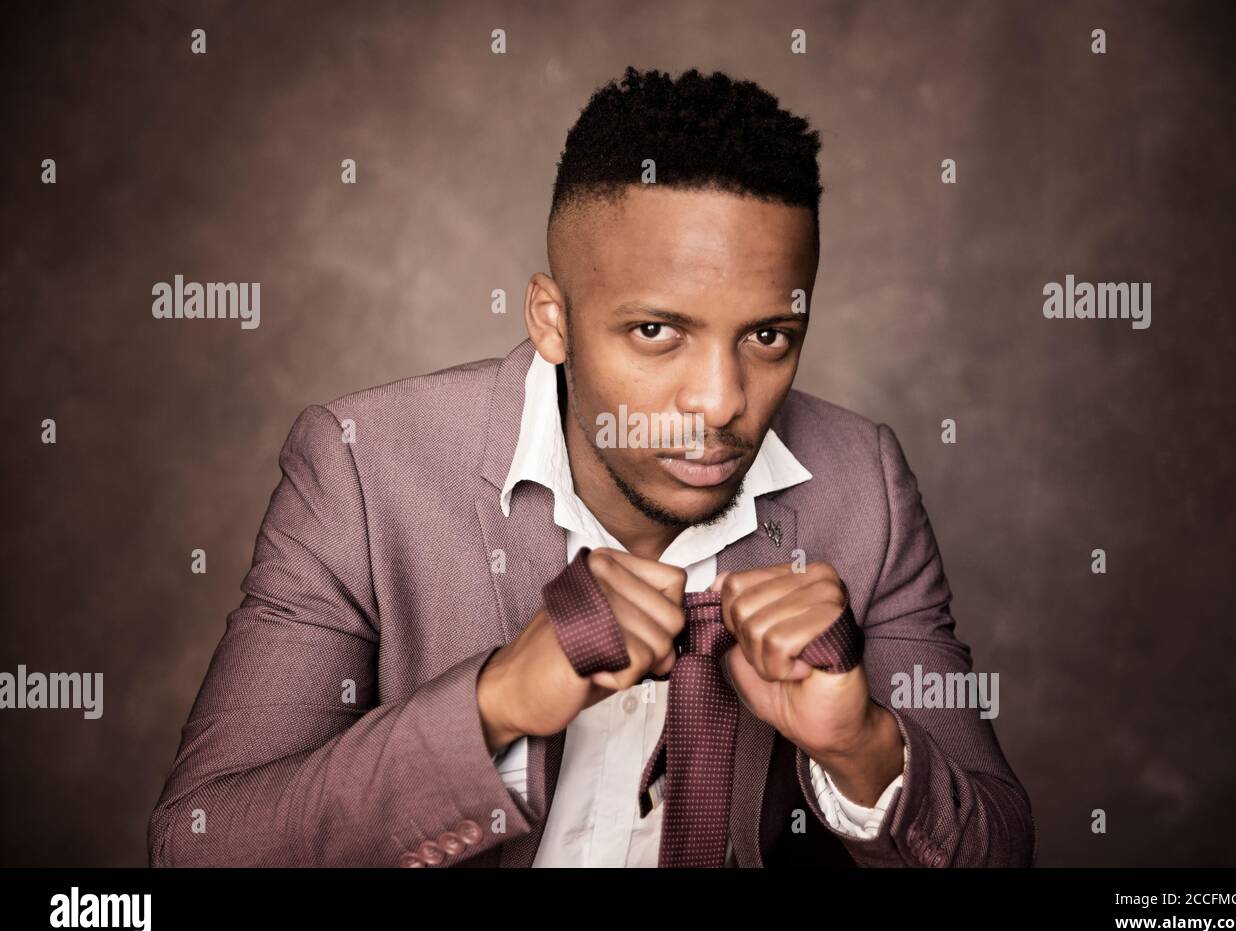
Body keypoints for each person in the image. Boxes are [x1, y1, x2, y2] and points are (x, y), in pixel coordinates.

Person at [148, 66, 1035, 867]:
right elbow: (199, 844)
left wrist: (863, 749)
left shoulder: (863, 486)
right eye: (657, 331)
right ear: (552, 319)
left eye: (767, 337)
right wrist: (491, 704)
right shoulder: (364, 469)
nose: (721, 402)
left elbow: (999, 847)